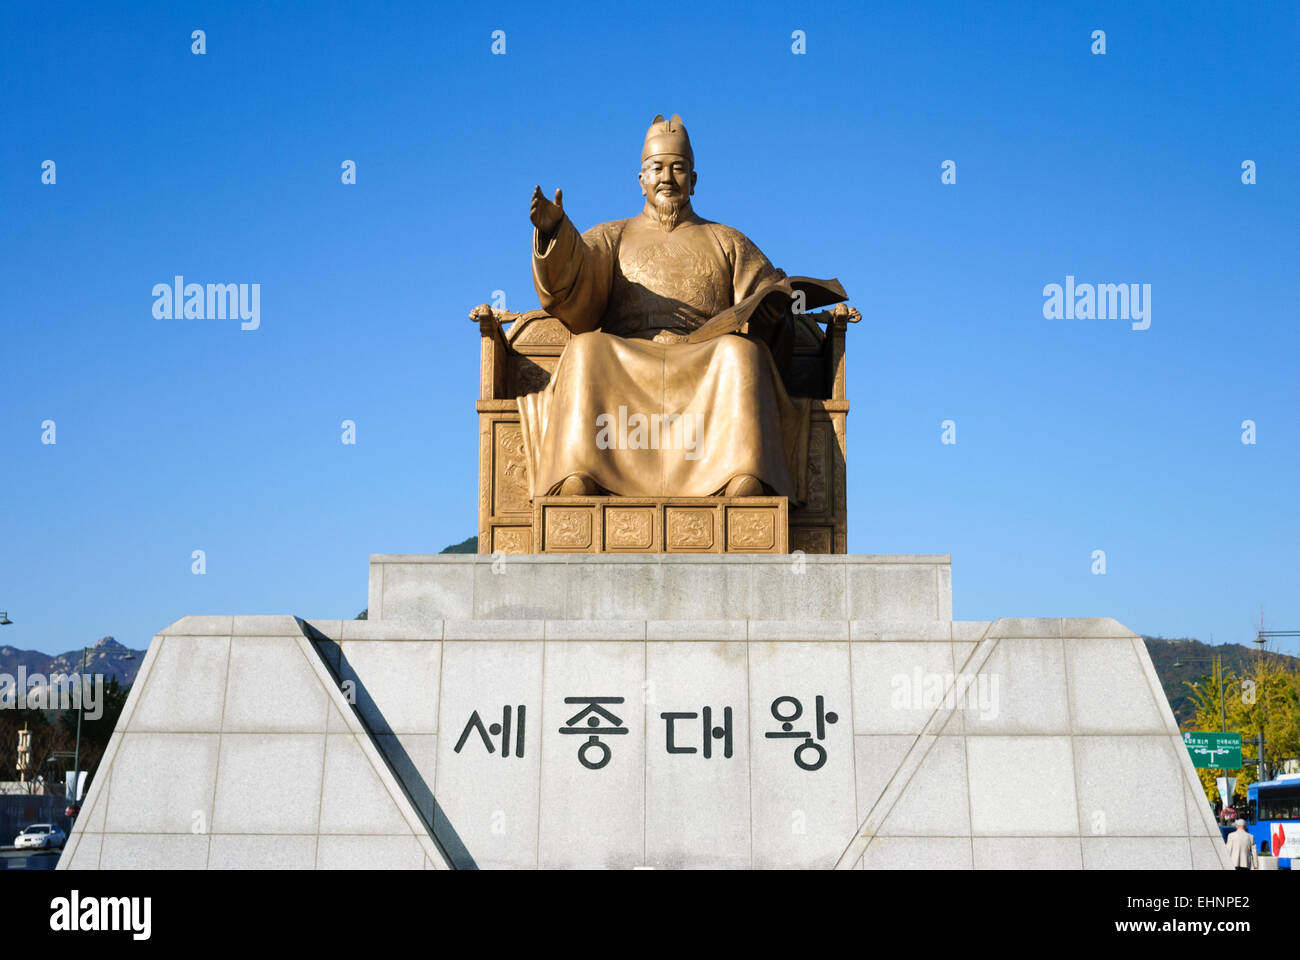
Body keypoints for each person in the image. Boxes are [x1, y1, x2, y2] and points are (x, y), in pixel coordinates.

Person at [522, 114, 819, 501]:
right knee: (585, 349)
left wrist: (772, 317)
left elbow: (765, 294)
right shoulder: (613, 235)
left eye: (678, 168)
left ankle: (742, 475)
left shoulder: (727, 240)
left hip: (703, 358)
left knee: (740, 354)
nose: (667, 177)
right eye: (657, 168)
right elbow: (575, 288)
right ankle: (581, 473)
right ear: (641, 179)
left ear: (693, 180)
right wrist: (554, 232)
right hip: (626, 359)